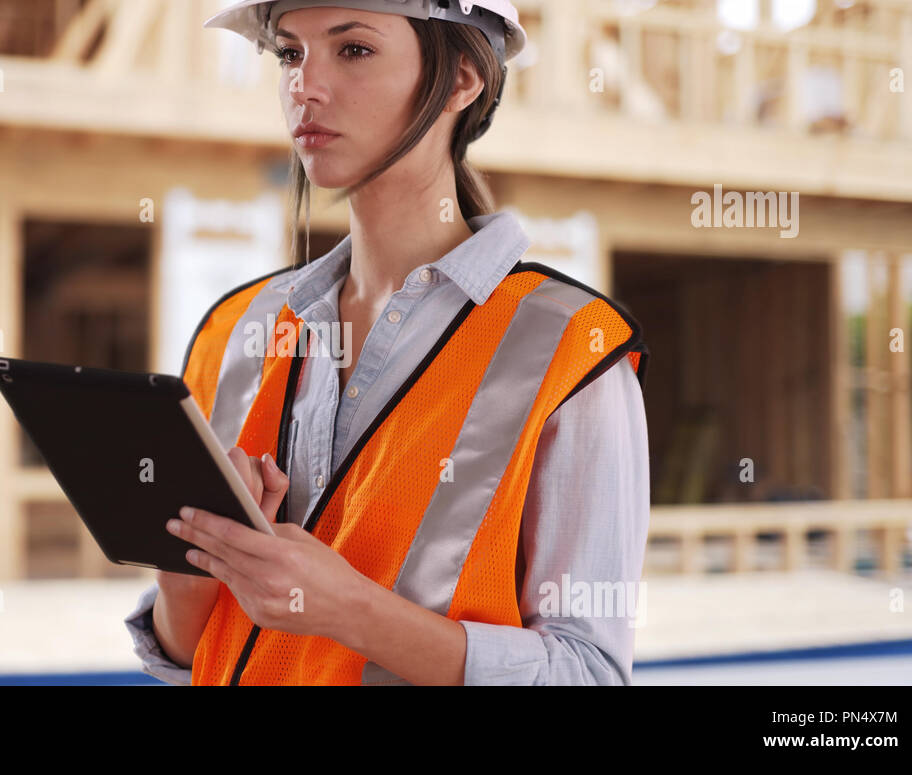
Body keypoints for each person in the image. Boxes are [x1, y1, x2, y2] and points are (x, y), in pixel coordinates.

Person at [124, 0, 651, 685]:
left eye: (354, 50)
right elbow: (191, 653)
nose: (303, 86)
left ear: (463, 77)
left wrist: (350, 610)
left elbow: (588, 674)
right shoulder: (235, 332)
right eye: (289, 53)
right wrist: (184, 578)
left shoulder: (568, 349)